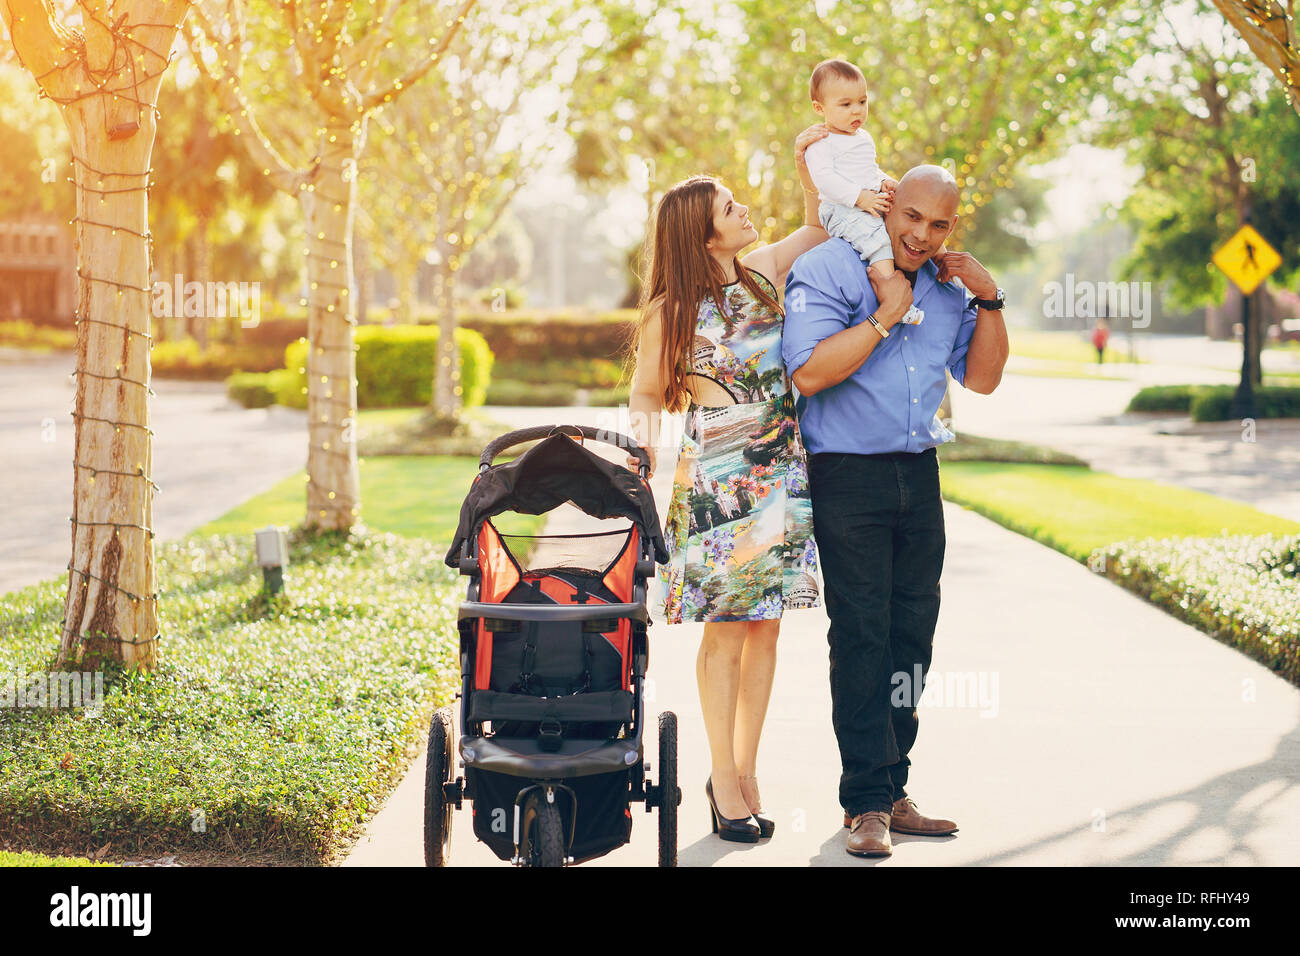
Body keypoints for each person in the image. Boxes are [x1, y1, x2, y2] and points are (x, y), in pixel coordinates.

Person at [782, 164, 1009, 858]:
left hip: (920, 474)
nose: (921, 234)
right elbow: (810, 371)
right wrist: (885, 312)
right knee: (862, 635)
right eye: (911, 216)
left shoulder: (950, 289)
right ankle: (865, 805)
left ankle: (895, 790)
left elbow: (985, 379)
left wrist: (991, 298)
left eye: (938, 224)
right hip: (848, 475)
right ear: (887, 207)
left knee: (912, 636)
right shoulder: (828, 268)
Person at [626, 129, 831, 844]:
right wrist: (640, 469)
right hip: (718, 477)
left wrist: (808, 167)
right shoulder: (669, 313)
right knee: (726, 629)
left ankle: (744, 772)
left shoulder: (762, 275)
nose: (746, 212)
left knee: (766, 627)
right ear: (700, 233)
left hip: (781, 466)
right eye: (731, 207)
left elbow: (815, 225)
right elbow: (648, 397)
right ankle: (722, 775)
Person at [803, 58, 926, 326]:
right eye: (845, 105)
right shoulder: (821, 143)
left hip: (864, 201)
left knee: (901, 222)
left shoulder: (863, 138)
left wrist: (883, 181)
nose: (856, 110)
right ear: (819, 108)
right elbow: (825, 181)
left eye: (862, 101)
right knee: (877, 240)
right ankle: (894, 301)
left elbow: (868, 169)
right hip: (840, 208)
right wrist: (860, 197)